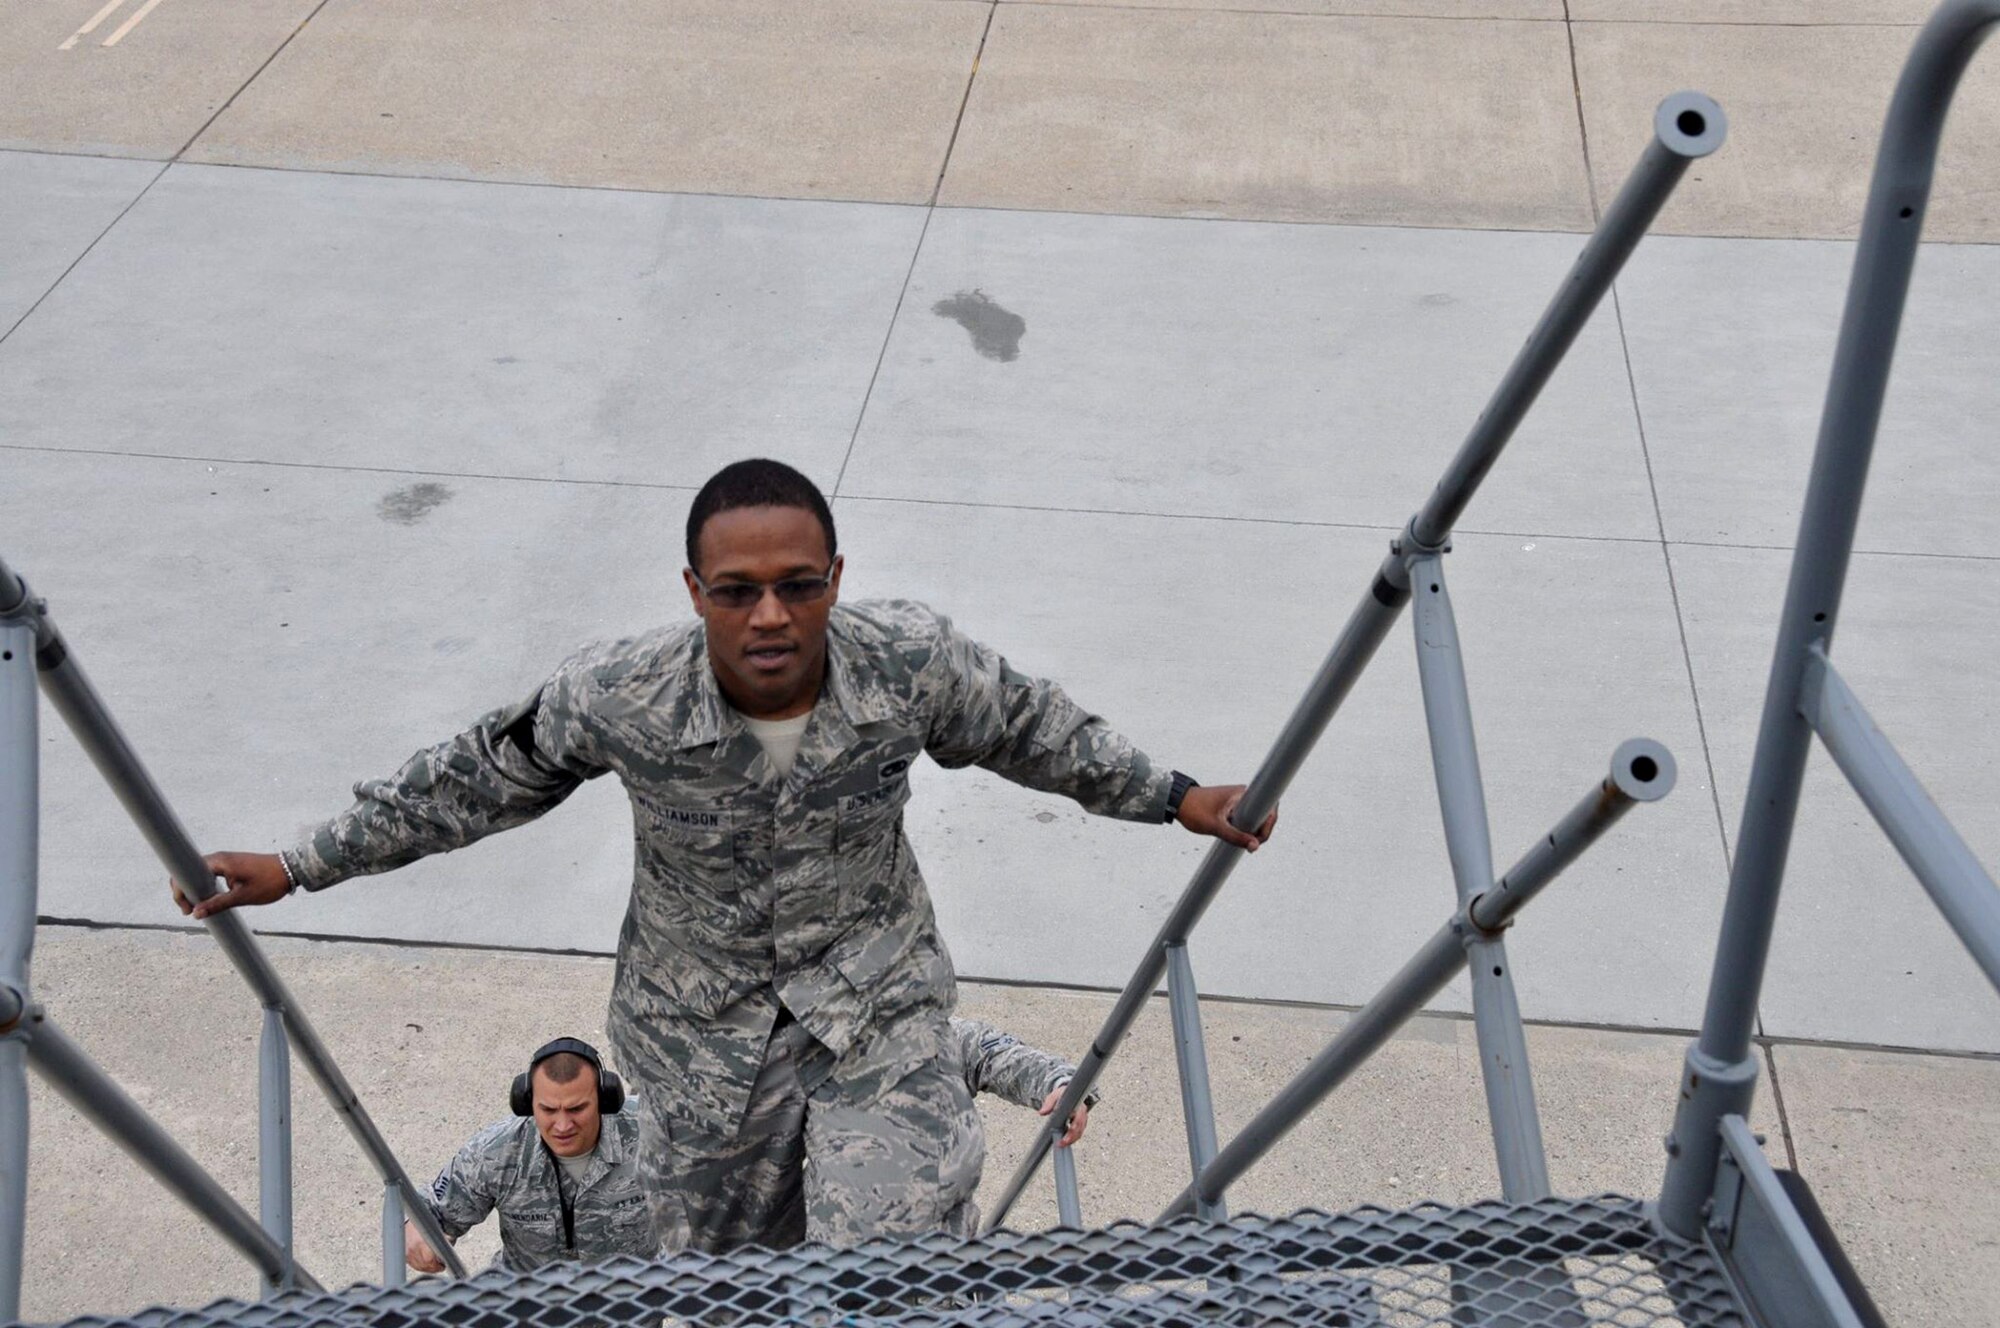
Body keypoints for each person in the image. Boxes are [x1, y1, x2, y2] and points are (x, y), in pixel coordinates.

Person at [174, 457, 1274, 1254]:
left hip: (872, 1006)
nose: (770, 615)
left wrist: (1173, 795)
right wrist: (300, 862)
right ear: (693, 590)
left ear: (835, 577)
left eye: (798, 583)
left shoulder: (905, 663)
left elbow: (1030, 726)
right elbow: (472, 779)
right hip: (698, 1043)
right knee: (730, 1287)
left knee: (886, 1274)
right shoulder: (623, 693)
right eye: (737, 589)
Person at [406, 1018, 1094, 1274]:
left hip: (934, 1273)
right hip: (832, 1283)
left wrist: (1067, 1085)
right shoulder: (790, 1073)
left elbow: (999, 1054)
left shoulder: (933, 1039)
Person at [404, 1037, 653, 1274]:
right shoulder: (497, 1152)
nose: (563, 1125)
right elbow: (429, 1210)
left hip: (629, 1307)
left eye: (577, 1108)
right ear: (527, 1103)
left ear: (604, 1099)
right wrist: (416, 1232)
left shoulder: (655, 1134)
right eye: (548, 1110)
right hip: (530, 1307)